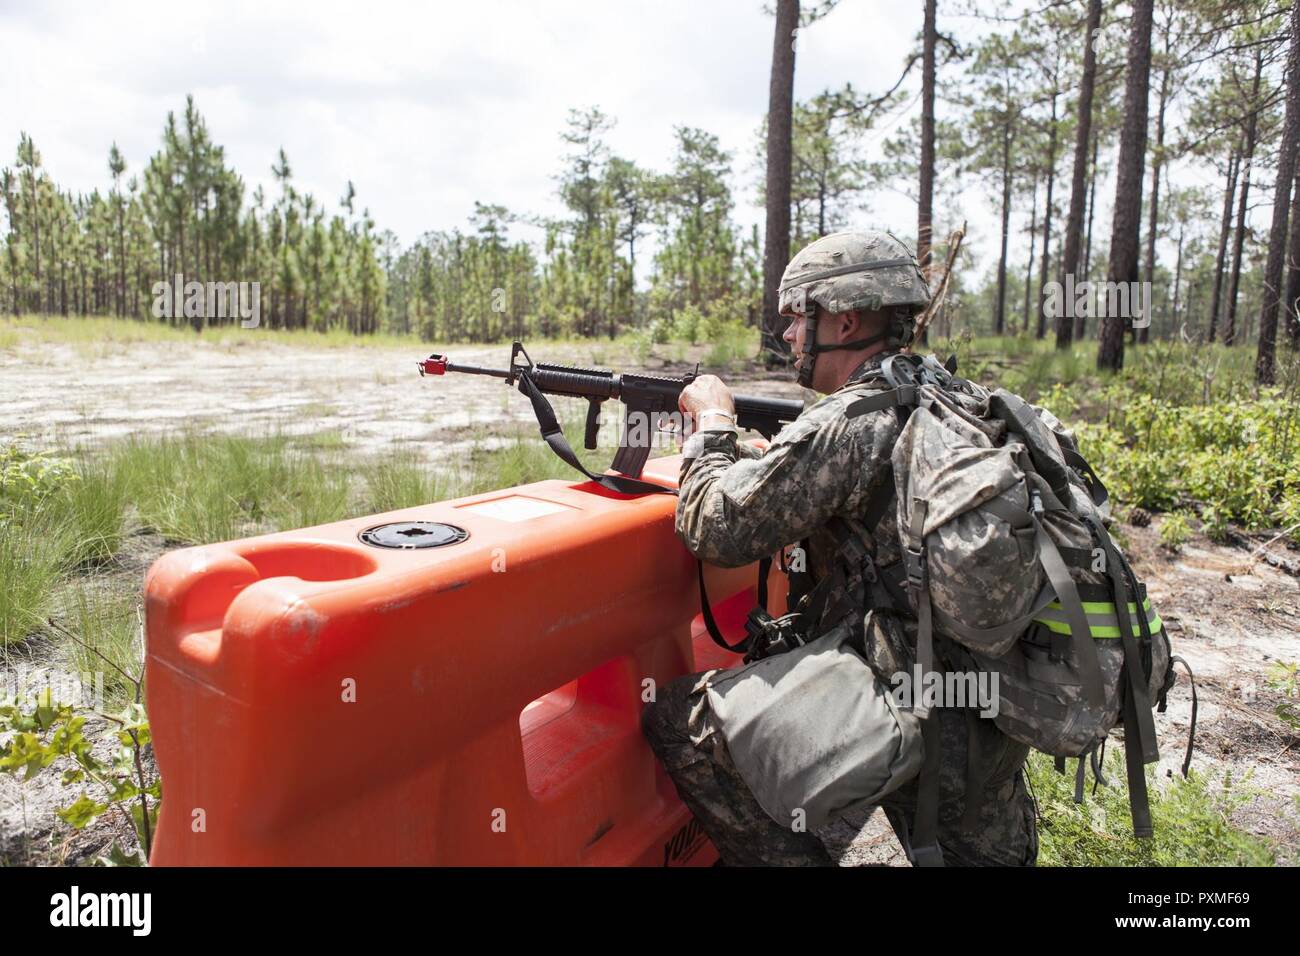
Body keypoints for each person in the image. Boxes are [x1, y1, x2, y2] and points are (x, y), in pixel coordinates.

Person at [641, 230, 1039, 867]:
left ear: (847, 320)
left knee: (682, 728)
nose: (790, 335)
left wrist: (713, 426)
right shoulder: (959, 397)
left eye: (799, 316)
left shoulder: (848, 421)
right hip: (993, 694)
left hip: (901, 697)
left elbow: (715, 528)